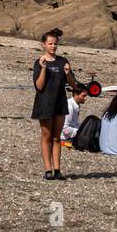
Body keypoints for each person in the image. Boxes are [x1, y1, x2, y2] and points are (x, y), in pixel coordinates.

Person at [31, 29, 79, 180]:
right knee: (46, 136)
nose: (53, 47)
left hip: (59, 103)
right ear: (44, 44)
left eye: (55, 44)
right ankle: (47, 169)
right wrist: (44, 69)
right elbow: (38, 86)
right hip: (45, 104)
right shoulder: (40, 62)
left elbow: (73, 85)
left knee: (57, 137)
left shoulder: (63, 61)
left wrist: (68, 73)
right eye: (50, 44)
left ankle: (57, 170)